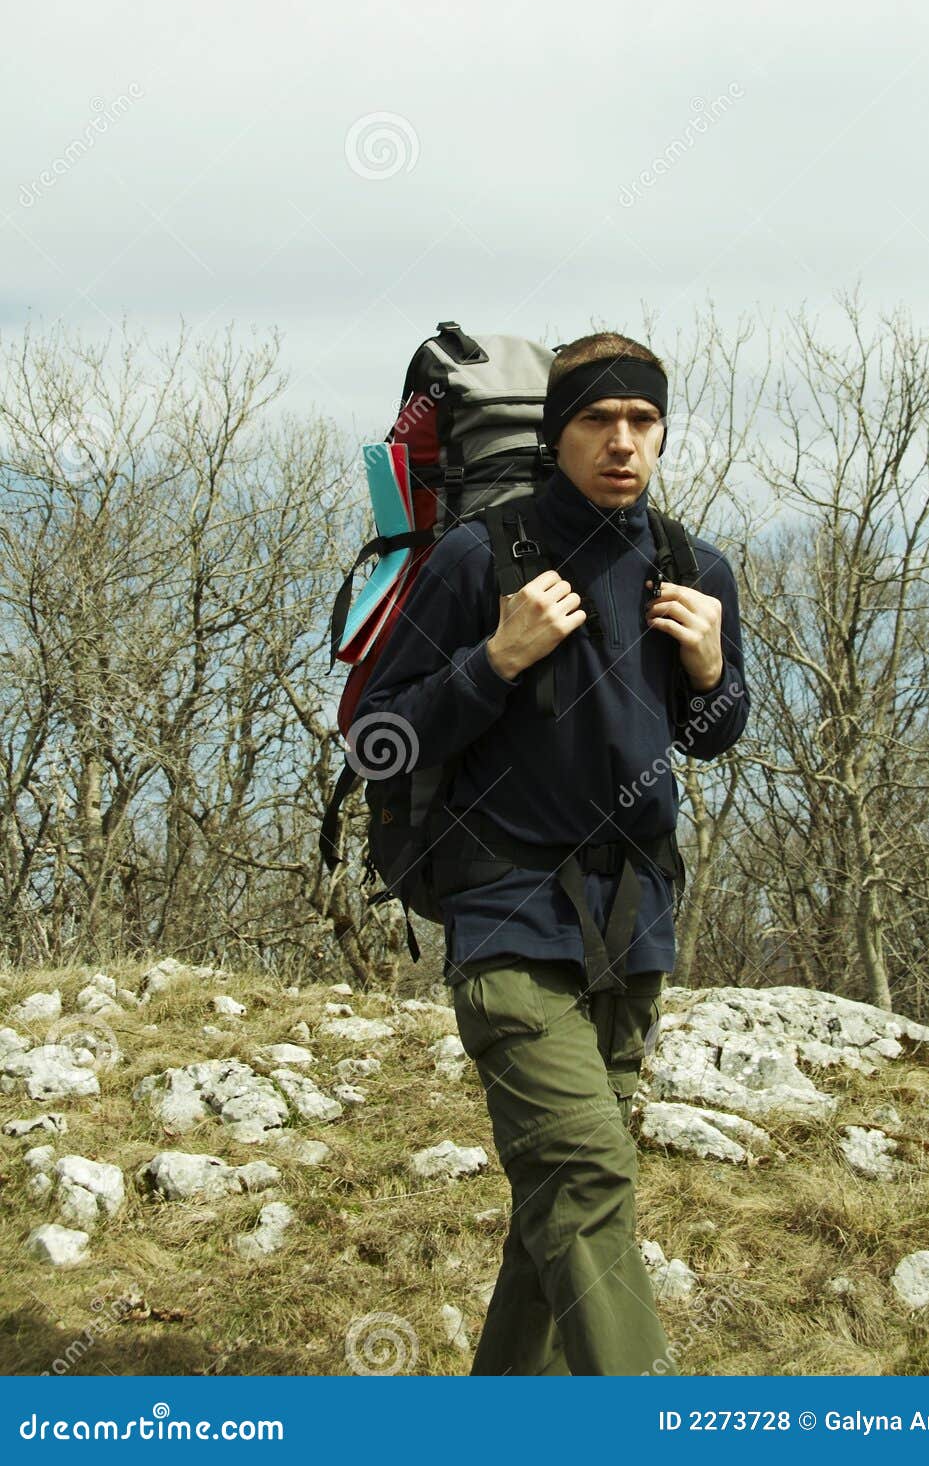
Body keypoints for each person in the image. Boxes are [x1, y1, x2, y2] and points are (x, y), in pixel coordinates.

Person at [356, 331, 751, 1374]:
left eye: (642, 421)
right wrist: (493, 660)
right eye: (596, 420)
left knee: (562, 1200)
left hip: (633, 931)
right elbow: (378, 736)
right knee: (584, 1175)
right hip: (506, 916)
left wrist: (712, 670)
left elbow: (716, 728)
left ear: (661, 431)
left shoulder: (690, 565)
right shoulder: (482, 559)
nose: (622, 442)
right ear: (556, 430)